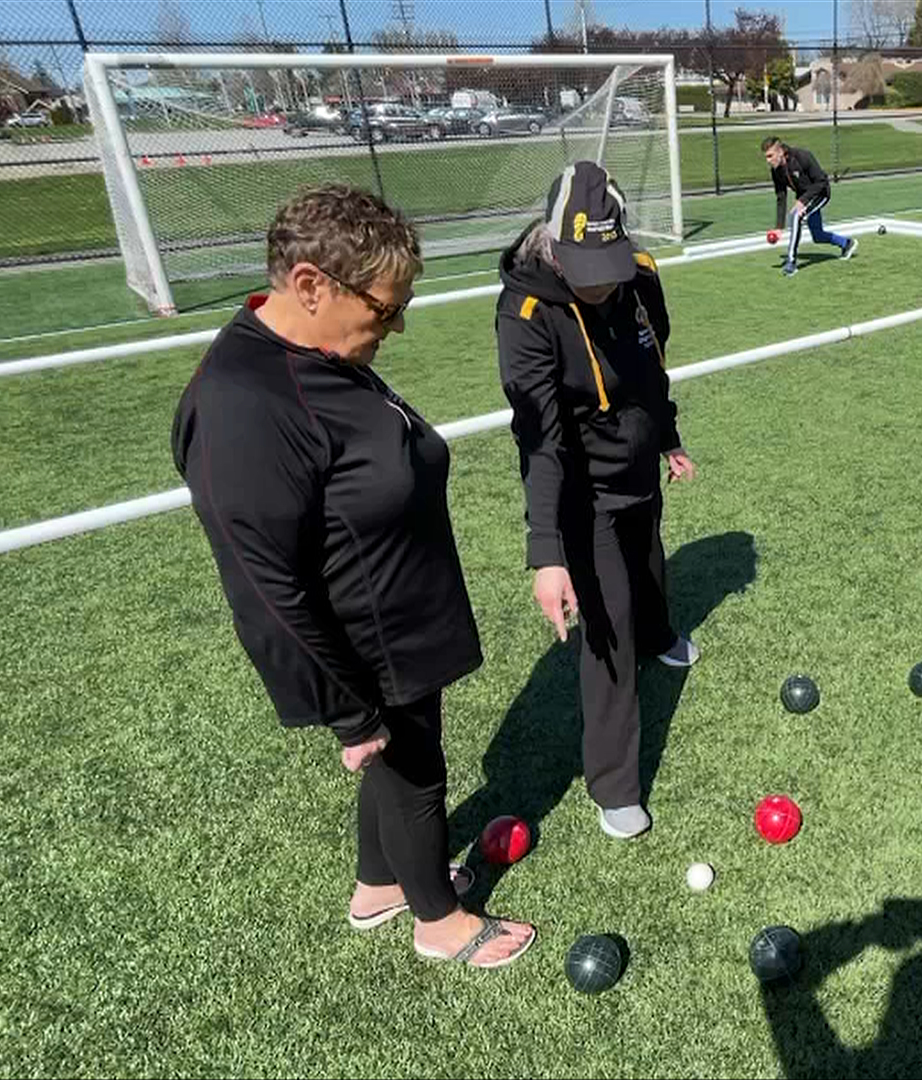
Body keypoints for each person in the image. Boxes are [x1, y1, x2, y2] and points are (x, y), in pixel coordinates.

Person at [172, 184, 536, 968]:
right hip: (365, 641)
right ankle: (440, 925)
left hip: (400, 612)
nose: (396, 323)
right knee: (412, 771)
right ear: (310, 286)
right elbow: (261, 583)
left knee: (404, 762)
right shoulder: (240, 401)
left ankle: (380, 885)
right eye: (383, 306)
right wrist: (346, 710)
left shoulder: (313, 354)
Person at [495, 161, 701, 841]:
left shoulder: (640, 274)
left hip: (638, 464)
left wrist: (666, 435)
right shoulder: (526, 313)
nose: (603, 280)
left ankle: (662, 634)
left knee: (647, 562)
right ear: (552, 247)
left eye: (609, 261)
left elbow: (652, 367)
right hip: (583, 491)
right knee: (606, 632)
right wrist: (547, 553)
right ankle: (613, 785)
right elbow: (540, 437)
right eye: (586, 266)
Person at [764, 135, 858, 278]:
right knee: (818, 236)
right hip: (805, 198)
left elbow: (821, 182)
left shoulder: (802, 156)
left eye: (770, 156)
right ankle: (846, 243)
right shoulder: (776, 171)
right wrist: (778, 227)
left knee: (796, 216)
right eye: (766, 157)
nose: (768, 161)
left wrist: (802, 201)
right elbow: (781, 197)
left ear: (780, 151)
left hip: (821, 193)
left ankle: (791, 262)